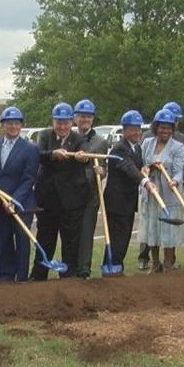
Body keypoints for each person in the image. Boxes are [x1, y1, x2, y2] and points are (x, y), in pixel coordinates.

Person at [31, 102, 90, 280]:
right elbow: (38, 155)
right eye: (59, 122)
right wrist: (52, 155)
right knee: (45, 238)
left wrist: (83, 158)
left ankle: (68, 275)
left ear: (72, 122)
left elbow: (86, 156)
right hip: (47, 199)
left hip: (72, 200)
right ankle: (39, 275)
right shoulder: (44, 135)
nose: (62, 126)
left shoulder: (78, 138)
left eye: (66, 122)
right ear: (53, 121)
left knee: (71, 240)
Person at [0, 106, 38, 283]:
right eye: (9, 123)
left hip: (22, 203)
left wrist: (14, 201)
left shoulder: (30, 149)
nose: (13, 126)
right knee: (3, 239)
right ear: (2, 125)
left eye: (16, 123)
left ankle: (21, 276)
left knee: (22, 240)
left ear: (21, 125)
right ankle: (6, 275)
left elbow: (29, 178)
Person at [139, 107, 184, 272]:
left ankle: (168, 264)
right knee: (152, 227)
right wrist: (147, 168)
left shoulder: (177, 147)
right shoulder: (147, 143)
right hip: (151, 192)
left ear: (172, 129)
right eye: (161, 127)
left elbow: (179, 170)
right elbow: (142, 165)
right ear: (156, 128)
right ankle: (155, 263)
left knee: (168, 228)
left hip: (168, 192)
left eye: (168, 128)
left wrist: (175, 180)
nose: (164, 130)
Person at [104, 110, 146, 269]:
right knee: (116, 238)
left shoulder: (137, 148)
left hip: (129, 201)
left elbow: (137, 168)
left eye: (138, 129)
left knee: (125, 237)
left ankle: (117, 266)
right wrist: (145, 181)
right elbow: (128, 168)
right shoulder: (119, 149)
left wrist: (146, 169)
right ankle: (111, 267)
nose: (137, 132)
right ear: (124, 130)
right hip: (116, 202)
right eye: (133, 129)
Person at [72, 99, 108, 278]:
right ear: (75, 118)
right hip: (70, 194)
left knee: (86, 233)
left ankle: (84, 269)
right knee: (72, 233)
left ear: (92, 119)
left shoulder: (100, 142)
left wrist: (100, 172)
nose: (85, 119)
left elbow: (103, 169)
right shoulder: (70, 138)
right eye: (81, 116)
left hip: (89, 195)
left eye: (88, 116)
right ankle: (71, 267)